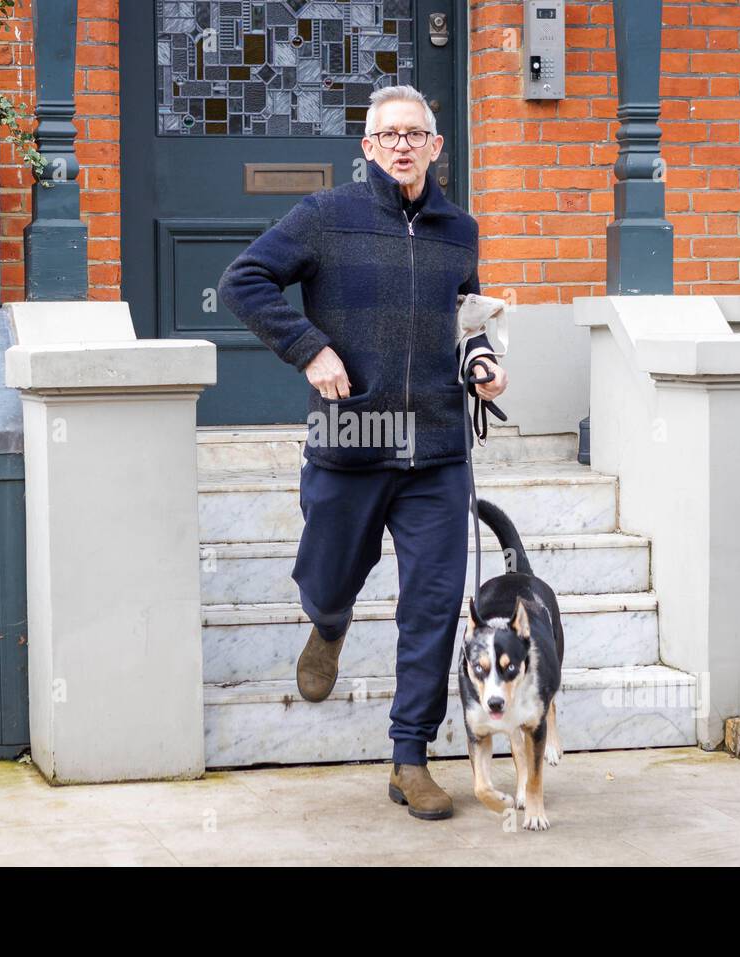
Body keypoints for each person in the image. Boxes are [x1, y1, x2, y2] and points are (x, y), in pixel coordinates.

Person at [218, 85, 507, 820]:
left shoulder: (458, 229)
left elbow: (468, 314)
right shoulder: (326, 217)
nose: (404, 144)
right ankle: (330, 619)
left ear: (436, 147)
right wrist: (309, 348)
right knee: (329, 572)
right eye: (389, 135)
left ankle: (410, 756)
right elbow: (242, 281)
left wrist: (481, 359)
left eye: (417, 133)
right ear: (369, 149)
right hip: (351, 438)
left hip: (438, 450)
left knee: (434, 605)